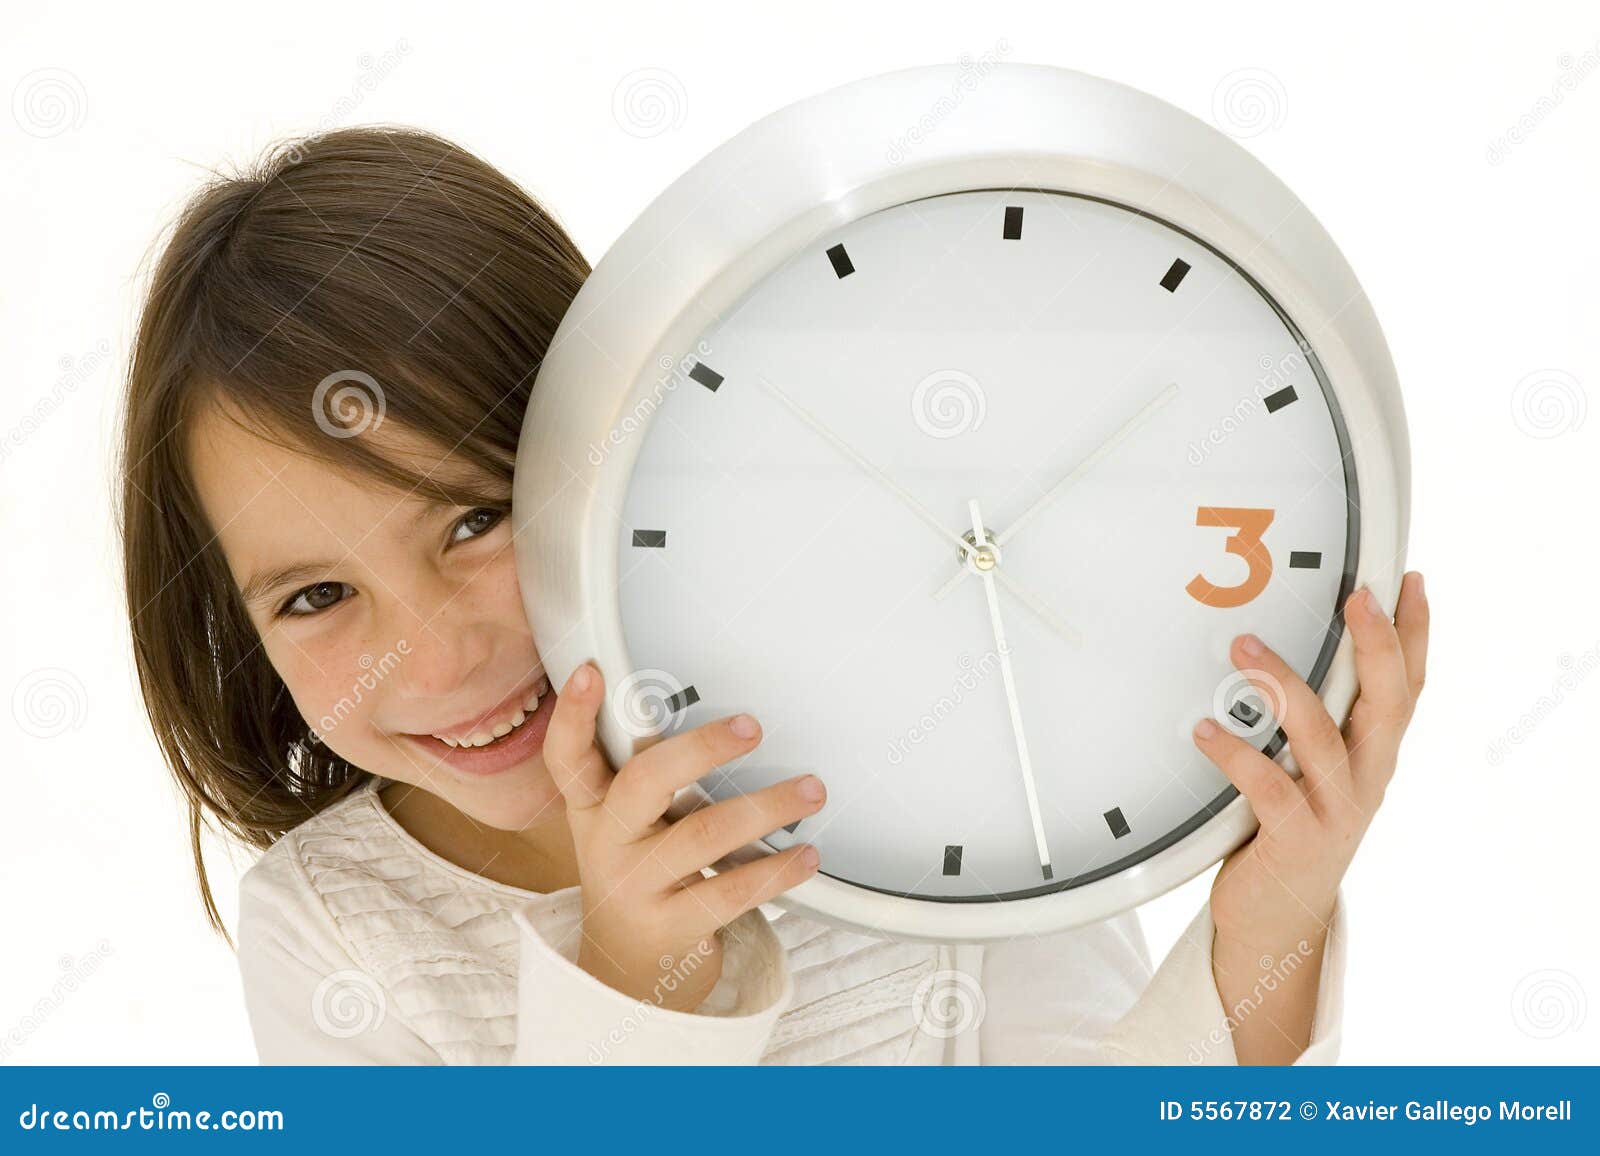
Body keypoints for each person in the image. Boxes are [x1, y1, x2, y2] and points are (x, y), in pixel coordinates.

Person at [116, 125, 1429, 1065]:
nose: (439, 651)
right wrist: (642, 981)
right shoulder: (337, 931)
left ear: (633, 458)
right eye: (315, 596)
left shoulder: (924, 767)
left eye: (473, 519)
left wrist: (1272, 921)